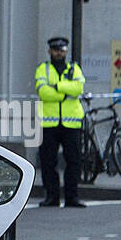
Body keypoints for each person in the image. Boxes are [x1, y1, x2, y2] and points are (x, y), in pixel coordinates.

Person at [34, 36, 86, 207]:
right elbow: (43, 92)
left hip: (71, 123)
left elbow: (78, 89)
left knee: (74, 161)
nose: (58, 53)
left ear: (66, 51)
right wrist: (65, 91)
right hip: (49, 124)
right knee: (48, 162)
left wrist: (57, 87)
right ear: (49, 51)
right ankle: (52, 196)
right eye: (55, 50)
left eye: (62, 50)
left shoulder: (74, 68)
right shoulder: (43, 69)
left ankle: (72, 197)